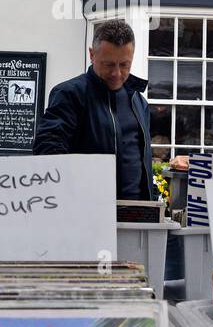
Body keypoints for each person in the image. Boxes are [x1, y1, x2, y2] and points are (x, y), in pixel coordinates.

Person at [33, 20, 157, 201]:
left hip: (137, 213)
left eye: (124, 65)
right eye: (108, 64)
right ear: (92, 54)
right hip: (87, 210)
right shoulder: (70, 94)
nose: (117, 74)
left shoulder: (138, 101)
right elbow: (48, 151)